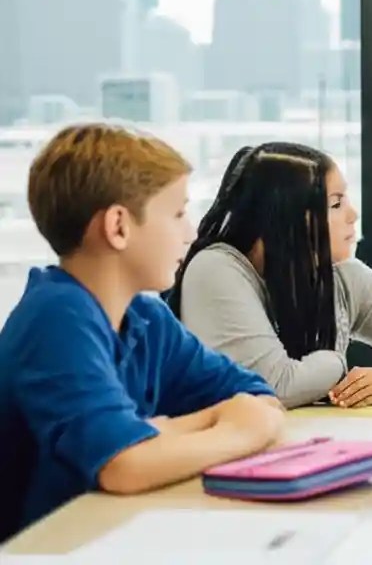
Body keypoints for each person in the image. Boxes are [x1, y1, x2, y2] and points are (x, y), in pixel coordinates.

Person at [0, 124, 283, 543]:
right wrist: (234, 430)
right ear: (118, 226)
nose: (190, 233)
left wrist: (157, 433)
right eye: (178, 214)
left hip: (99, 535)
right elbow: (123, 467)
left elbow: (258, 398)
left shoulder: (147, 317)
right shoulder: (56, 317)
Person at [169, 143, 372, 409]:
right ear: (287, 216)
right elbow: (274, 388)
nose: (353, 215)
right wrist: (336, 362)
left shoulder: (343, 276)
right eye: (336, 204)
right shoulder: (216, 268)